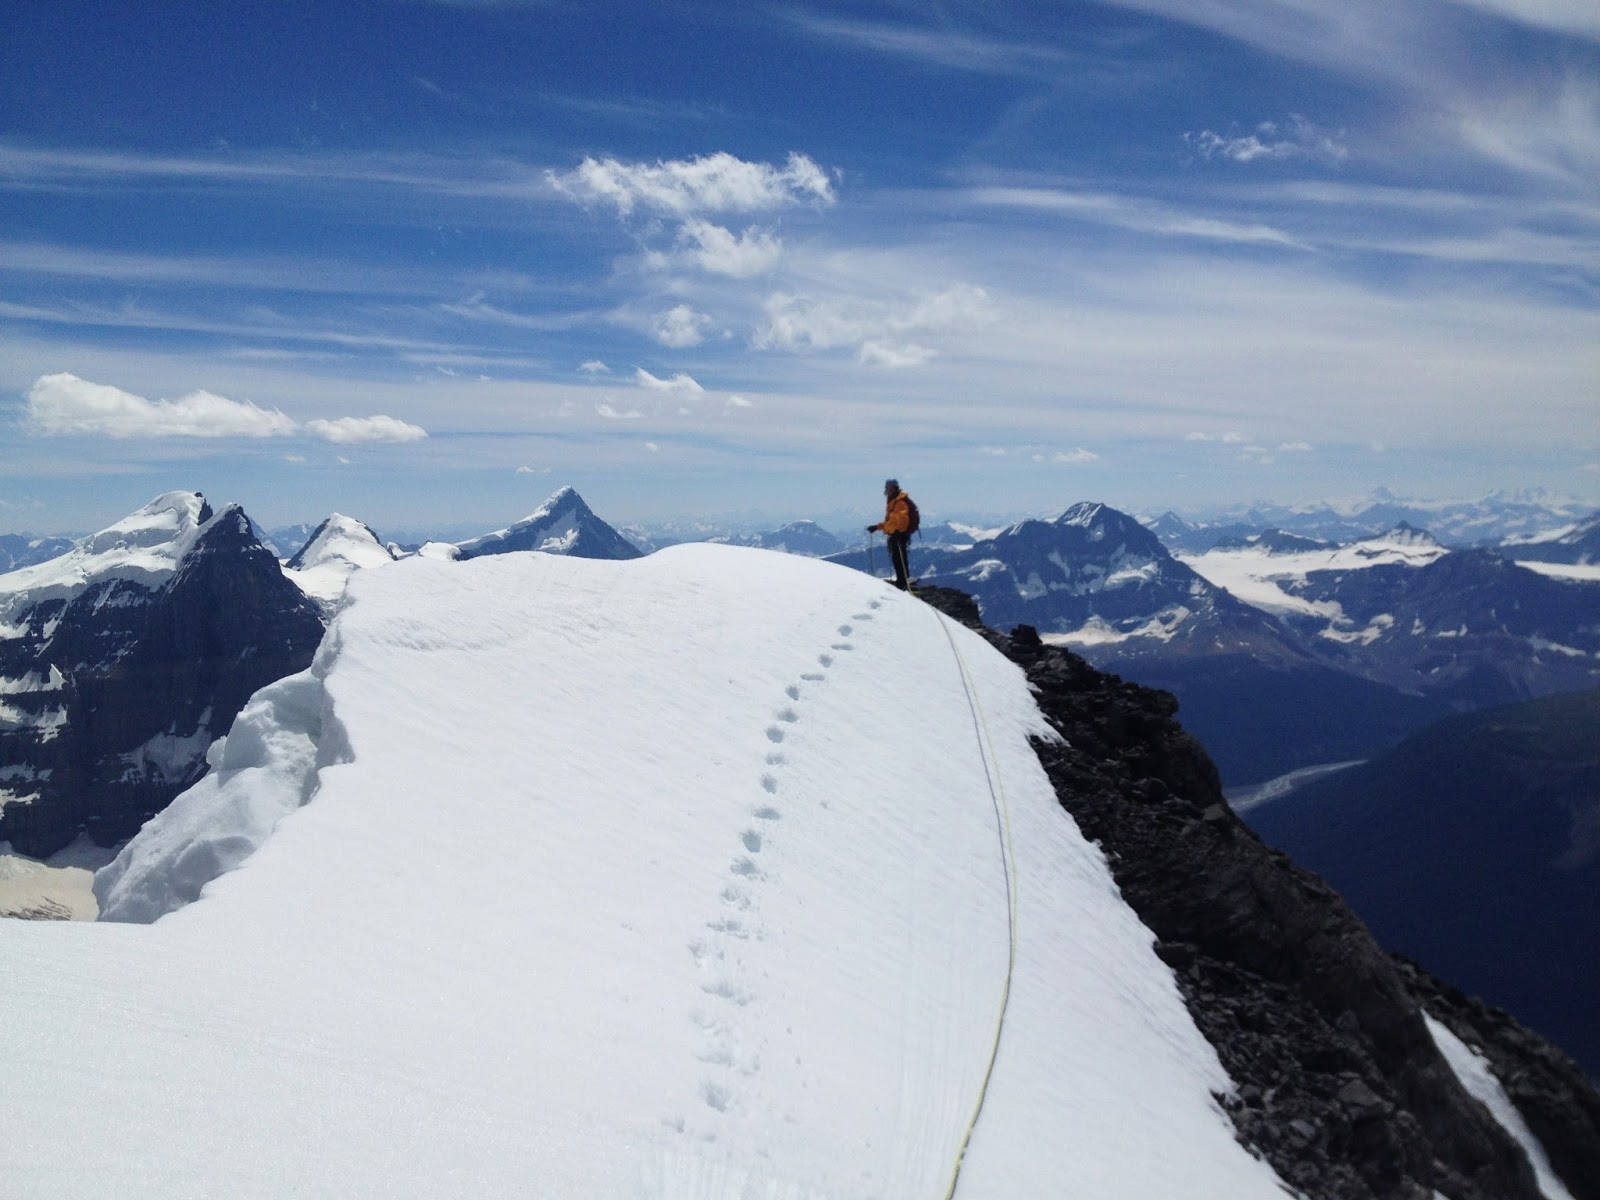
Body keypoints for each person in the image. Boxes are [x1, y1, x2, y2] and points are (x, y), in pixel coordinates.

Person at [866, 478, 915, 590]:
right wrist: (877, 527)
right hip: (897, 535)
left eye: (889, 488)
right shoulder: (893, 502)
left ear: (894, 488)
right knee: (898, 558)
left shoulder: (899, 502)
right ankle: (902, 581)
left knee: (899, 559)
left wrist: (897, 530)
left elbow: (902, 520)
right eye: (887, 488)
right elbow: (890, 523)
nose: (888, 490)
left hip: (899, 535)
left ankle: (902, 582)